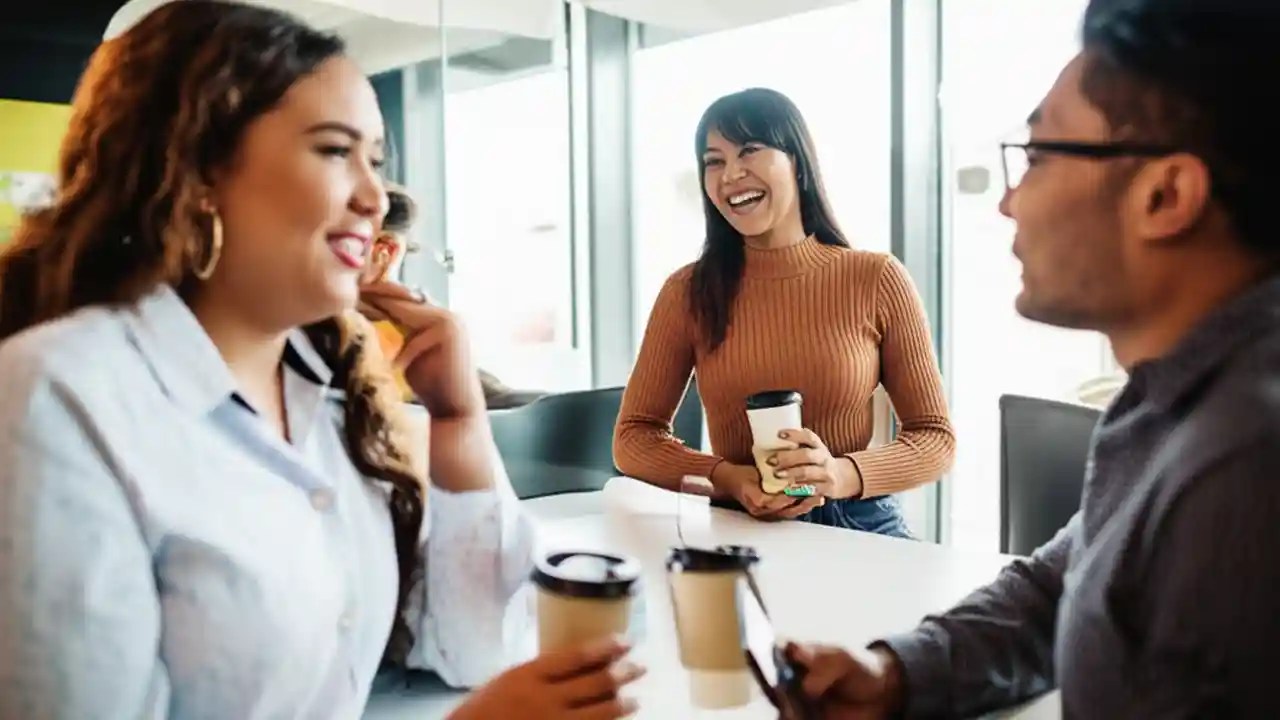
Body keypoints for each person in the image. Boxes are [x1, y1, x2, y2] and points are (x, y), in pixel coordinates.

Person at [0, 2, 641, 718]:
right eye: (336, 151)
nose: (375, 197)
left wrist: (457, 420)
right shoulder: (57, 400)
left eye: (375, 159)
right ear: (201, 166)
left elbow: (474, 649)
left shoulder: (327, 401)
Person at [785, 0, 1280, 716]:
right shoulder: (1171, 399)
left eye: (1039, 157)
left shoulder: (1245, 465)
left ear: (1165, 195)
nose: (1009, 203)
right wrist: (892, 674)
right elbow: (1061, 587)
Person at [613, 88, 954, 535]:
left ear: (797, 161)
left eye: (750, 150)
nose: (731, 173)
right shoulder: (687, 293)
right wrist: (728, 478)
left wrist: (840, 475)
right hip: (739, 525)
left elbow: (934, 437)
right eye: (713, 161)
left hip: (860, 523)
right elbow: (634, 437)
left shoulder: (877, 278)